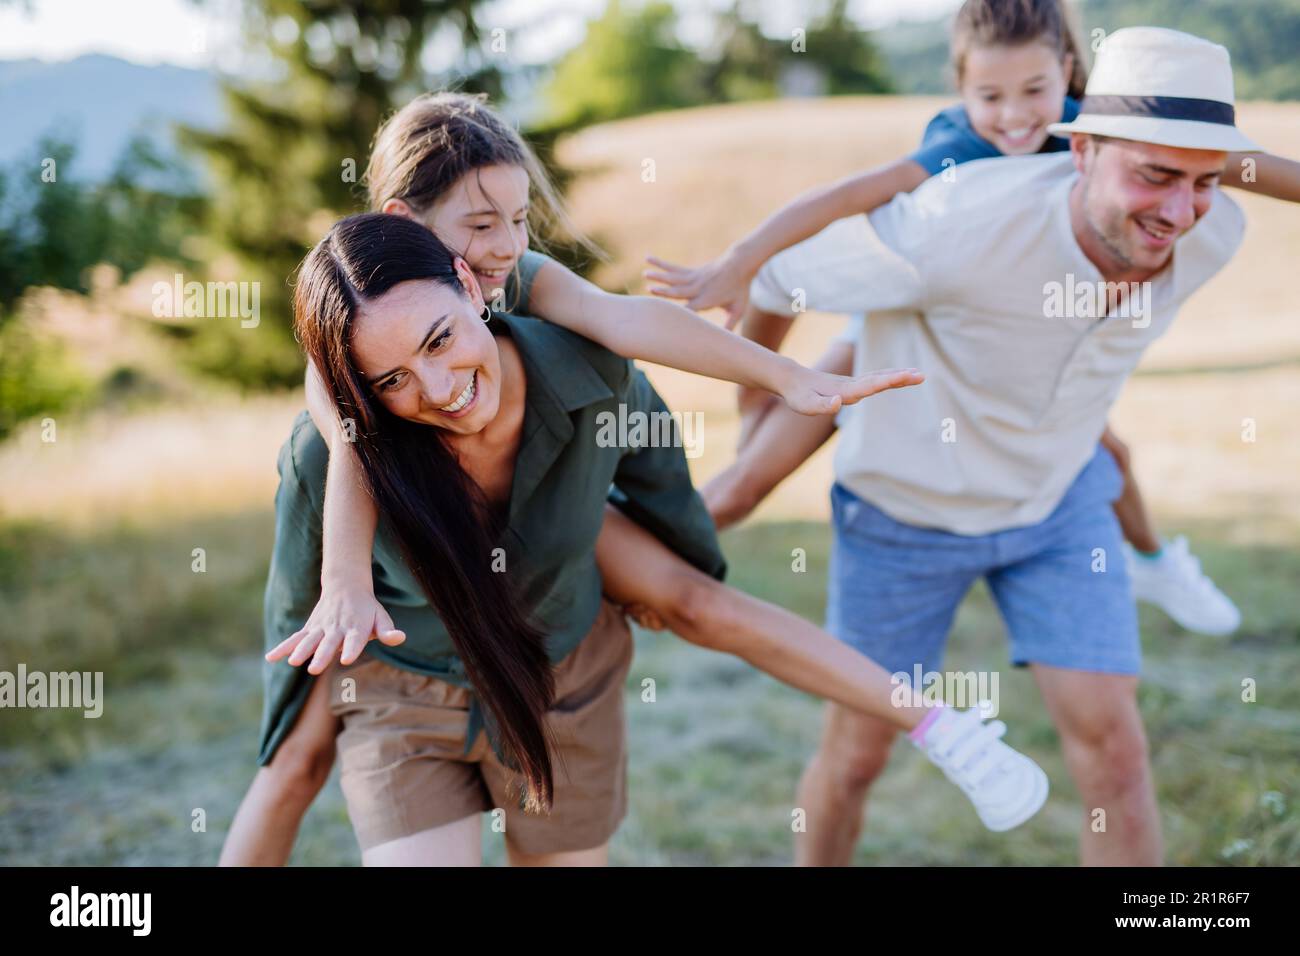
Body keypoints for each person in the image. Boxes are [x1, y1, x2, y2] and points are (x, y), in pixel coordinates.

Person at [218, 98, 1049, 865]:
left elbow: (635, 325)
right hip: (416, 666)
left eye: (517, 219)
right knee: (297, 756)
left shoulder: (527, 291)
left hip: (556, 606)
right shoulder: (356, 365)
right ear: (411, 222)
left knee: (694, 599)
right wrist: (344, 582)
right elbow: (343, 427)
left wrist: (788, 379)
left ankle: (941, 726)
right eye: (482, 223)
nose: (506, 242)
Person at [657, 26, 1275, 866]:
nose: (1177, 211)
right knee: (858, 757)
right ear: (1081, 148)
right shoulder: (950, 223)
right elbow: (776, 278)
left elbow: (1241, 179)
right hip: (903, 515)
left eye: (1202, 183)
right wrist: (756, 418)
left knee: (1117, 757)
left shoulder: (1212, 233)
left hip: (1058, 505)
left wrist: (1195, 179)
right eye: (1155, 176)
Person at [648, 0, 1300, 637]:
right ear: (960, 89)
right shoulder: (958, 147)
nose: (1015, 117)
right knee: (744, 484)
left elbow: (1248, 167)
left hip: (1001, 341)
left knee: (1108, 454)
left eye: (1034, 90)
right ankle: (618, 565)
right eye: (989, 97)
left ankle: (1156, 563)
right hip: (893, 314)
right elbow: (842, 202)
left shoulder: (1094, 125)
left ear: (1067, 72)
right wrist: (755, 379)